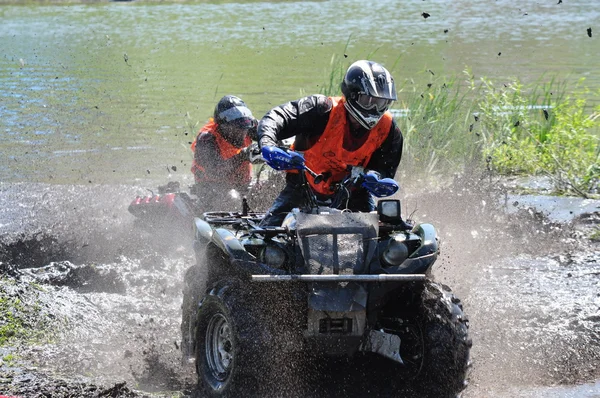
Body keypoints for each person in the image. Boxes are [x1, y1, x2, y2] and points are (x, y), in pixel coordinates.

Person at [258, 60, 404, 226]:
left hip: (354, 196)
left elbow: (386, 167)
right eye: (369, 101)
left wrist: (377, 178)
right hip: (301, 190)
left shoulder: (388, 129)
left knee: (383, 240)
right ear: (352, 95)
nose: (375, 110)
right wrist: (268, 145)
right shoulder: (321, 109)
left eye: (382, 103)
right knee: (266, 237)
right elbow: (276, 117)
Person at [190, 95, 258, 210]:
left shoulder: (249, 126)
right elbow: (214, 172)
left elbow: (272, 133)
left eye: (243, 128)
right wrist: (244, 155)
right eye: (236, 127)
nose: (241, 132)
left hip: (243, 184)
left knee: (269, 189)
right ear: (222, 126)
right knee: (232, 198)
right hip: (211, 187)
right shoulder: (207, 139)